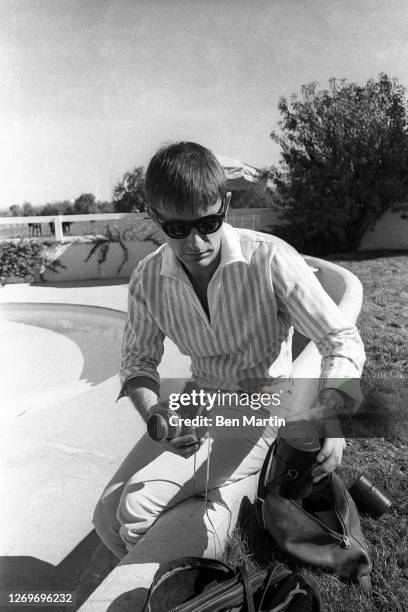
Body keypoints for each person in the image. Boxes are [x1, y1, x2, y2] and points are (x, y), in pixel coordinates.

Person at [93, 141, 365, 559]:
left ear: (226, 203)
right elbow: (137, 363)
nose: (196, 242)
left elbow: (339, 338)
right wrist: (156, 414)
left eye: (209, 222)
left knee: (135, 507)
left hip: (265, 403)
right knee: (104, 512)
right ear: (154, 215)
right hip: (200, 398)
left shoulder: (269, 258)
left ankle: (175, 590)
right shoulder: (148, 278)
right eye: (177, 229)